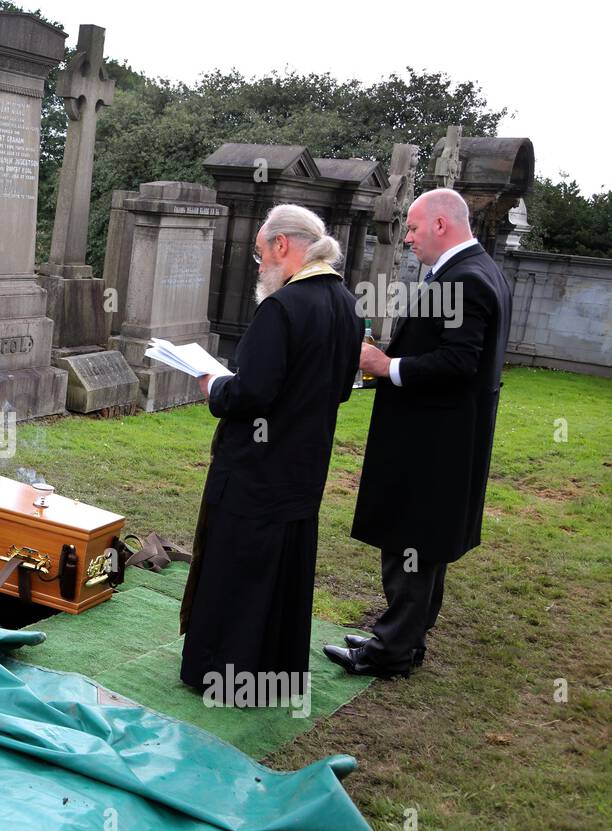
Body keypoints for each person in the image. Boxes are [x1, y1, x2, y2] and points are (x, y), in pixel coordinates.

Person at [179, 204, 362, 705]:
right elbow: (341, 388)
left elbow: (252, 393)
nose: (259, 266)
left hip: (256, 468)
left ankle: (226, 676)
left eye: (261, 254)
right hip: (304, 465)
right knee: (282, 572)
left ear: (283, 246)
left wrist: (215, 386)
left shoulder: (282, 308)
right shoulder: (346, 302)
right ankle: (274, 677)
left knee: (239, 569)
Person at [328, 188, 512, 678]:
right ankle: (404, 639)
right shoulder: (480, 269)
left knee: (410, 540)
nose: (407, 237)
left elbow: (458, 361)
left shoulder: (467, 279)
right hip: (446, 438)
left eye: (411, 228)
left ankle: (390, 652)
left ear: (440, 225)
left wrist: (387, 366)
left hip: (432, 442)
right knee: (424, 545)